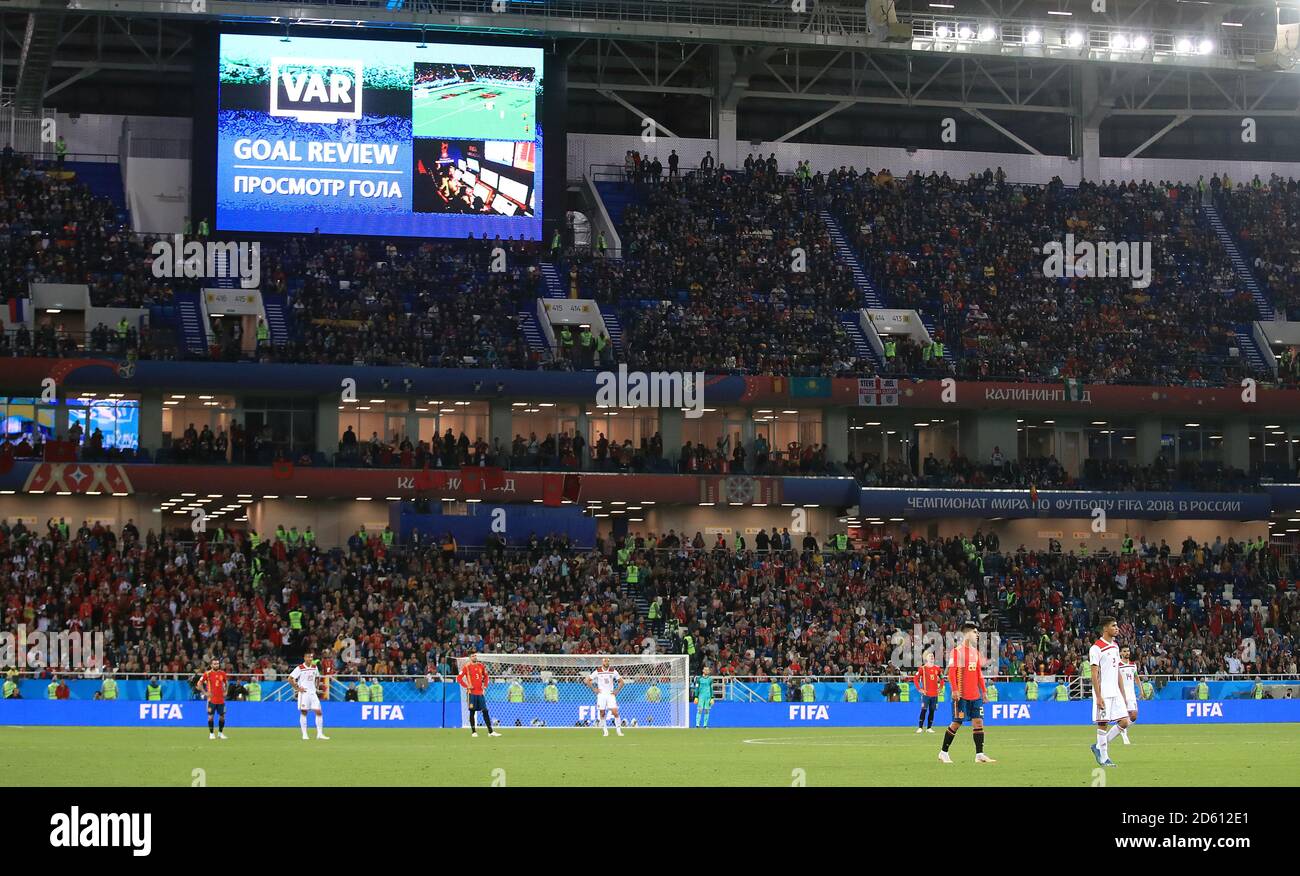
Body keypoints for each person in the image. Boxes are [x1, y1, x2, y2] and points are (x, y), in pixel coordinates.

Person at [938, 622, 996, 764]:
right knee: (957, 723)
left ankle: (979, 754)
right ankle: (943, 752)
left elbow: (978, 674)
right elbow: (952, 672)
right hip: (961, 695)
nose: (977, 635)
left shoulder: (976, 653)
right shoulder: (956, 652)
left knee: (978, 722)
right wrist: (955, 689)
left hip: (975, 695)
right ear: (967, 634)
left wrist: (984, 691)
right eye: (975, 632)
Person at [1089, 617, 1131, 767]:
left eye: (1116, 625)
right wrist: (1098, 696)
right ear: (1105, 629)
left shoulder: (1115, 646)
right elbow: (1094, 674)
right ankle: (1104, 758)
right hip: (1104, 692)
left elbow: (1118, 671)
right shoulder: (1096, 648)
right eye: (1114, 626)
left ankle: (1098, 746)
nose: (1117, 628)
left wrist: (1123, 694)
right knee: (1103, 724)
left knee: (1125, 721)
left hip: (1115, 691)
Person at [456, 653, 500, 738]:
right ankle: (473, 732)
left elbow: (486, 676)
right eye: (472, 656)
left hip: (480, 693)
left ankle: (490, 731)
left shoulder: (481, 666)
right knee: (472, 711)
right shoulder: (466, 667)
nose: (474, 657)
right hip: (471, 693)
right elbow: (459, 678)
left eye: (475, 655)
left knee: (485, 711)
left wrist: (485, 686)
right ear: (469, 658)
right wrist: (466, 686)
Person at [289, 650, 329, 741]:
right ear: (304, 658)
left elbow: (317, 677)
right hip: (304, 693)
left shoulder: (314, 667)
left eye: (311, 657)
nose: (310, 659)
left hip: (313, 693)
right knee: (304, 712)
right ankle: (304, 734)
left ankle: (320, 734)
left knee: (319, 712)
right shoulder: (300, 668)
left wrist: (317, 687)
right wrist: (298, 688)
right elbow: (290, 678)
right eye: (308, 657)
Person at [584, 656, 625, 737]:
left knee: (615, 712)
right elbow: (587, 680)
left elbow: (621, 682)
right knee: (602, 713)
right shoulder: (598, 671)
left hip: (610, 694)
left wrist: (617, 690)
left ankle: (619, 731)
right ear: (602, 662)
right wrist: (594, 689)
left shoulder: (613, 671)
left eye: (608, 661)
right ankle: (605, 731)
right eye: (605, 661)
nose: (607, 662)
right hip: (601, 695)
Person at [913, 651, 942, 733]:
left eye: (932, 656)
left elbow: (942, 678)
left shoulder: (937, 668)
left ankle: (929, 728)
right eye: (930, 656)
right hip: (926, 694)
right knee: (924, 710)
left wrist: (940, 687)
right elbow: (915, 679)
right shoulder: (922, 668)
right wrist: (919, 689)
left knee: (932, 710)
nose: (932, 657)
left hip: (935, 694)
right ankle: (920, 727)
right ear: (926, 658)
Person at [201, 658, 229, 740]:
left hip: (221, 700)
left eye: (217, 663)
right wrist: (205, 693)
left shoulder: (222, 673)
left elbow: (226, 682)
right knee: (210, 717)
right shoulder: (207, 674)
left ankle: (220, 733)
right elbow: (199, 683)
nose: (216, 665)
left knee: (222, 717)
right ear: (211, 665)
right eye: (214, 664)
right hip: (211, 700)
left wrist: (226, 691)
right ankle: (211, 734)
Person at [1118, 645, 1141, 745]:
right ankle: (1124, 734)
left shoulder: (1133, 665)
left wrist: (1141, 690)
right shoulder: (1118, 665)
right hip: (1121, 693)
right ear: (1121, 653)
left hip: (1131, 693)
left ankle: (1122, 729)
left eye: (1128, 651)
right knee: (1124, 716)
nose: (1127, 653)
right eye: (1124, 651)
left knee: (1134, 716)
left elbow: (1136, 677)